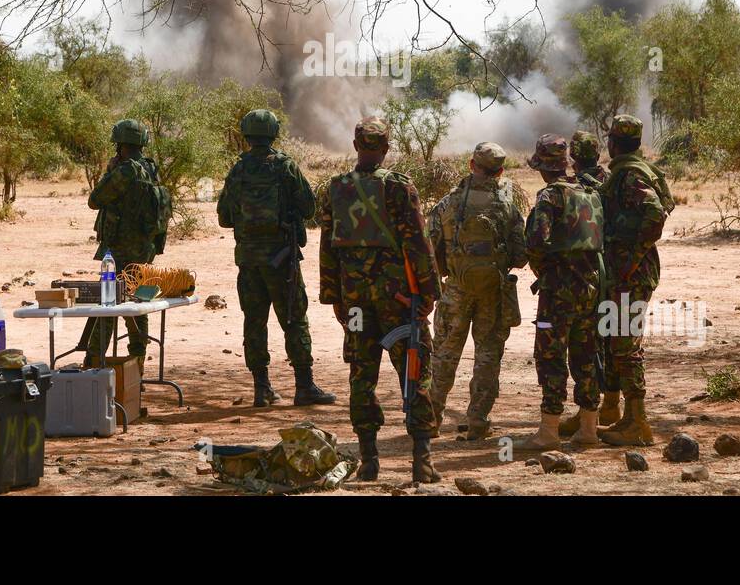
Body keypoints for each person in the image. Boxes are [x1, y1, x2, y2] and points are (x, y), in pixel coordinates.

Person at [317, 116, 441, 482]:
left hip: (355, 302)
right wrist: (430, 291)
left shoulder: (335, 189)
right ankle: (422, 461)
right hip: (400, 299)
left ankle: (369, 460)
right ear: (386, 148)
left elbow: (328, 247)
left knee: (361, 373)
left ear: (356, 146)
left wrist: (334, 296)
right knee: (415, 371)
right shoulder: (400, 188)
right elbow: (419, 243)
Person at [217, 109, 335, 407]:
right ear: (273, 133)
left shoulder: (238, 170)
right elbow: (308, 207)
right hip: (281, 260)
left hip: (248, 261)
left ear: (246, 134)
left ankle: (262, 388)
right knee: (294, 319)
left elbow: (224, 218)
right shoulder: (285, 167)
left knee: (254, 322)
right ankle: (304, 387)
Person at [427, 142, 527, 440]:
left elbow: (431, 252)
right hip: (493, 294)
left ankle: (430, 419)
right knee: (487, 356)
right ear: (500, 172)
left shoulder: (446, 204)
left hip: (456, 290)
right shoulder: (508, 207)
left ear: (472, 166)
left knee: (444, 354)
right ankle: (478, 422)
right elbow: (521, 256)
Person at [510, 135, 604, 450]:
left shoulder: (550, 197)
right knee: (586, 354)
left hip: (558, 293)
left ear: (541, 167)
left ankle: (549, 432)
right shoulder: (589, 192)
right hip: (590, 289)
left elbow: (536, 242)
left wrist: (544, 270)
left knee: (550, 356)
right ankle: (589, 429)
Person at [598, 115, 671, 447]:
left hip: (631, 272)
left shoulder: (629, 175)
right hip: (629, 270)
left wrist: (633, 255)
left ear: (613, 143)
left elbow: (656, 213)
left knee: (626, 344)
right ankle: (622, 414)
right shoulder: (638, 170)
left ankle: (638, 422)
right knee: (617, 337)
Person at [75, 120, 166, 369]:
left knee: (108, 305)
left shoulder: (125, 170)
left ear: (120, 145)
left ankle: (94, 362)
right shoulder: (150, 168)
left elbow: (95, 200)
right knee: (138, 305)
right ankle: (136, 362)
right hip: (145, 249)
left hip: (118, 251)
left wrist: (109, 172)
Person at [566, 129, 620, 430]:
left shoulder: (577, 188)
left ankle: (590, 409)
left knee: (588, 341)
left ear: (574, 157)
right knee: (612, 336)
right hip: (618, 268)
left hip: (588, 272)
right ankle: (610, 404)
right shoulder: (612, 181)